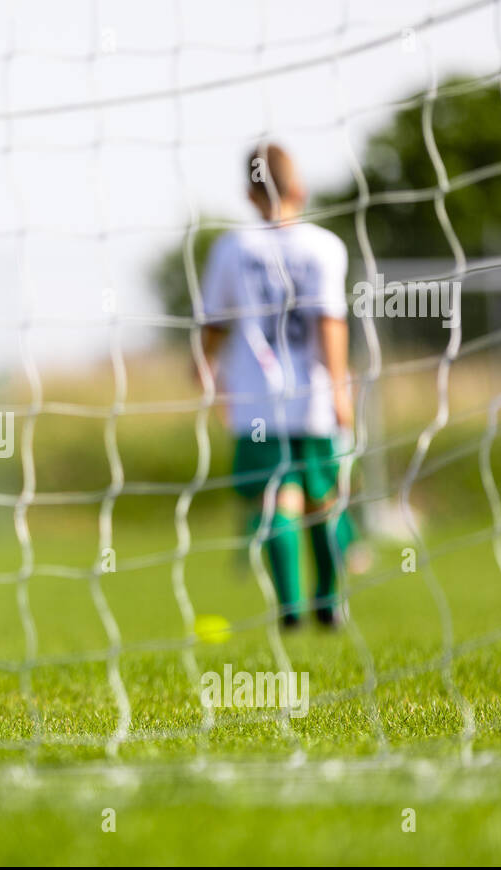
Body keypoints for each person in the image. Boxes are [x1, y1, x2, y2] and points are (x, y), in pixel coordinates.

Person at [198, 143, 355, 630]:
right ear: (300, 188)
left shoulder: (232, 248)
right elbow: (330, 324)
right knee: (322, 499)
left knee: (276, 499)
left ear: (250, 194)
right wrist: (341, 388)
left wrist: (203, 367)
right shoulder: (324, 246)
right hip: (312, 398)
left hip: (255, 402)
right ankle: (328, 600)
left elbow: (215, 324)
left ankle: (289, 608)